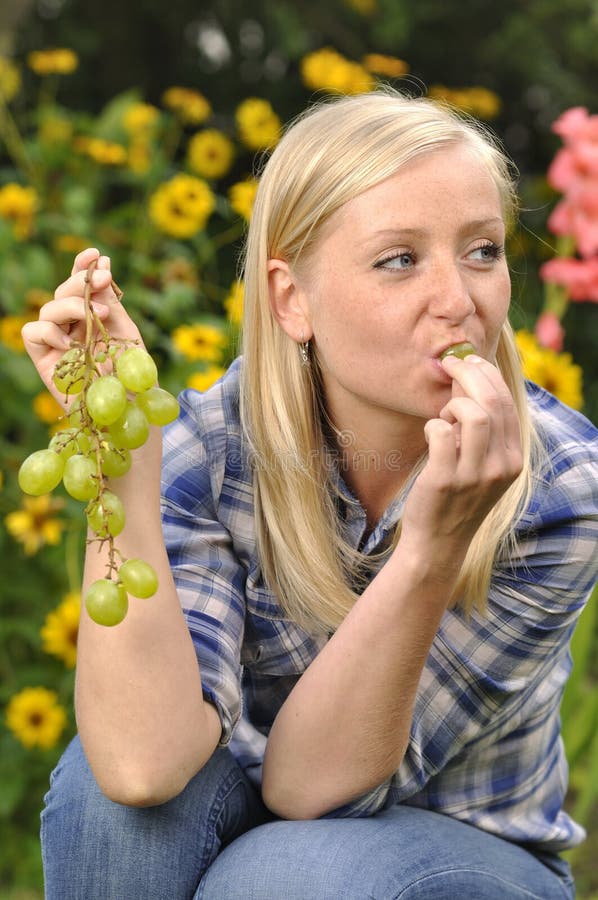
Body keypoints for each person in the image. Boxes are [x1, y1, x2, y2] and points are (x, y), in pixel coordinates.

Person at [24, 88, 597, 899]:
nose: (460, 301)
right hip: (262, 812)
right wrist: (121, 468)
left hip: (470, 854)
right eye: (400, 259)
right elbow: (141, 765)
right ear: (292, 299)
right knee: (108, 810)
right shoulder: (217, 445)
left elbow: (310, 788)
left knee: (284, 875)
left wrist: (432, 551)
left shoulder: (557, 487)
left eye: (482, 251)